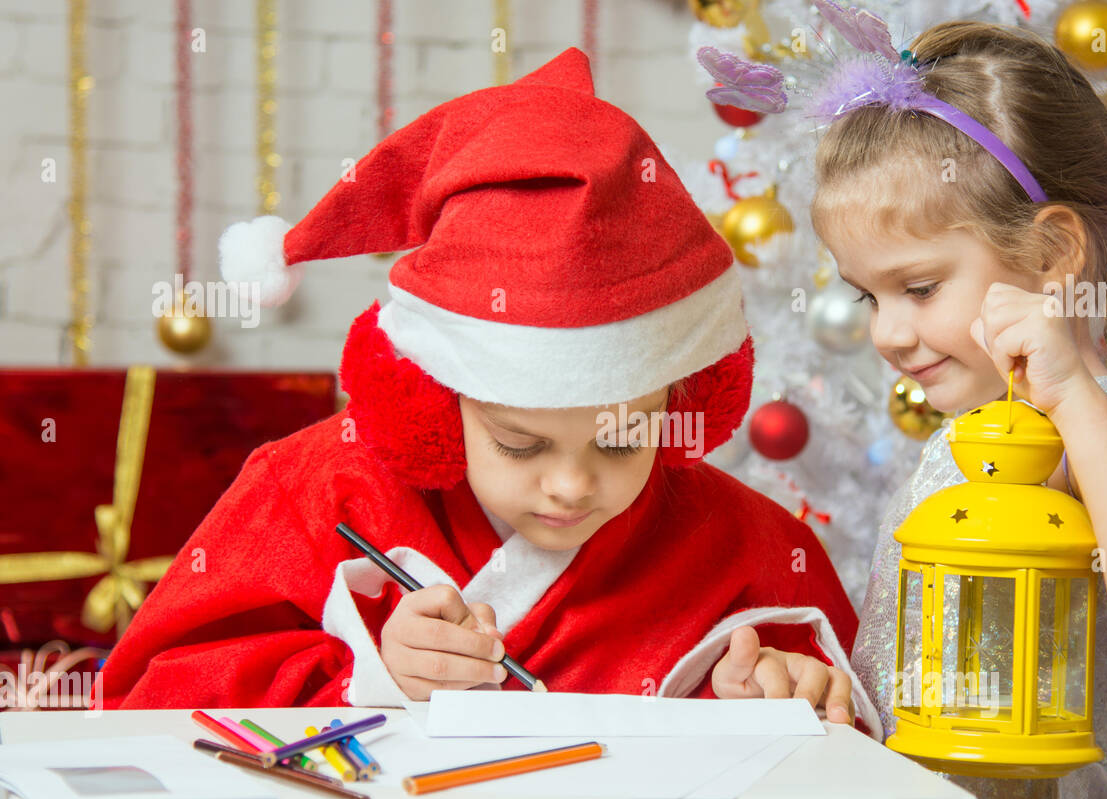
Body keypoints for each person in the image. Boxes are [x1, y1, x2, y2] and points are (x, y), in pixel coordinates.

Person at [100, 48, 879, 737]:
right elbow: (149, 703)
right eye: (520, 442)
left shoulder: (743, 544)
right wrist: (370, 681)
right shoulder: (307, 493)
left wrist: (778, 699)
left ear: (681, 405)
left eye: (620, 438)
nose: (573, 484)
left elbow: (842, 751)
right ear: (433, 404)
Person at [803, 19, 1107, 799]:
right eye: (868, 297)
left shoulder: (1099, 430)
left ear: (1051, 255)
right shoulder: (978, 435)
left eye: (920, 286)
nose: (889, 333)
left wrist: (1074, 393)